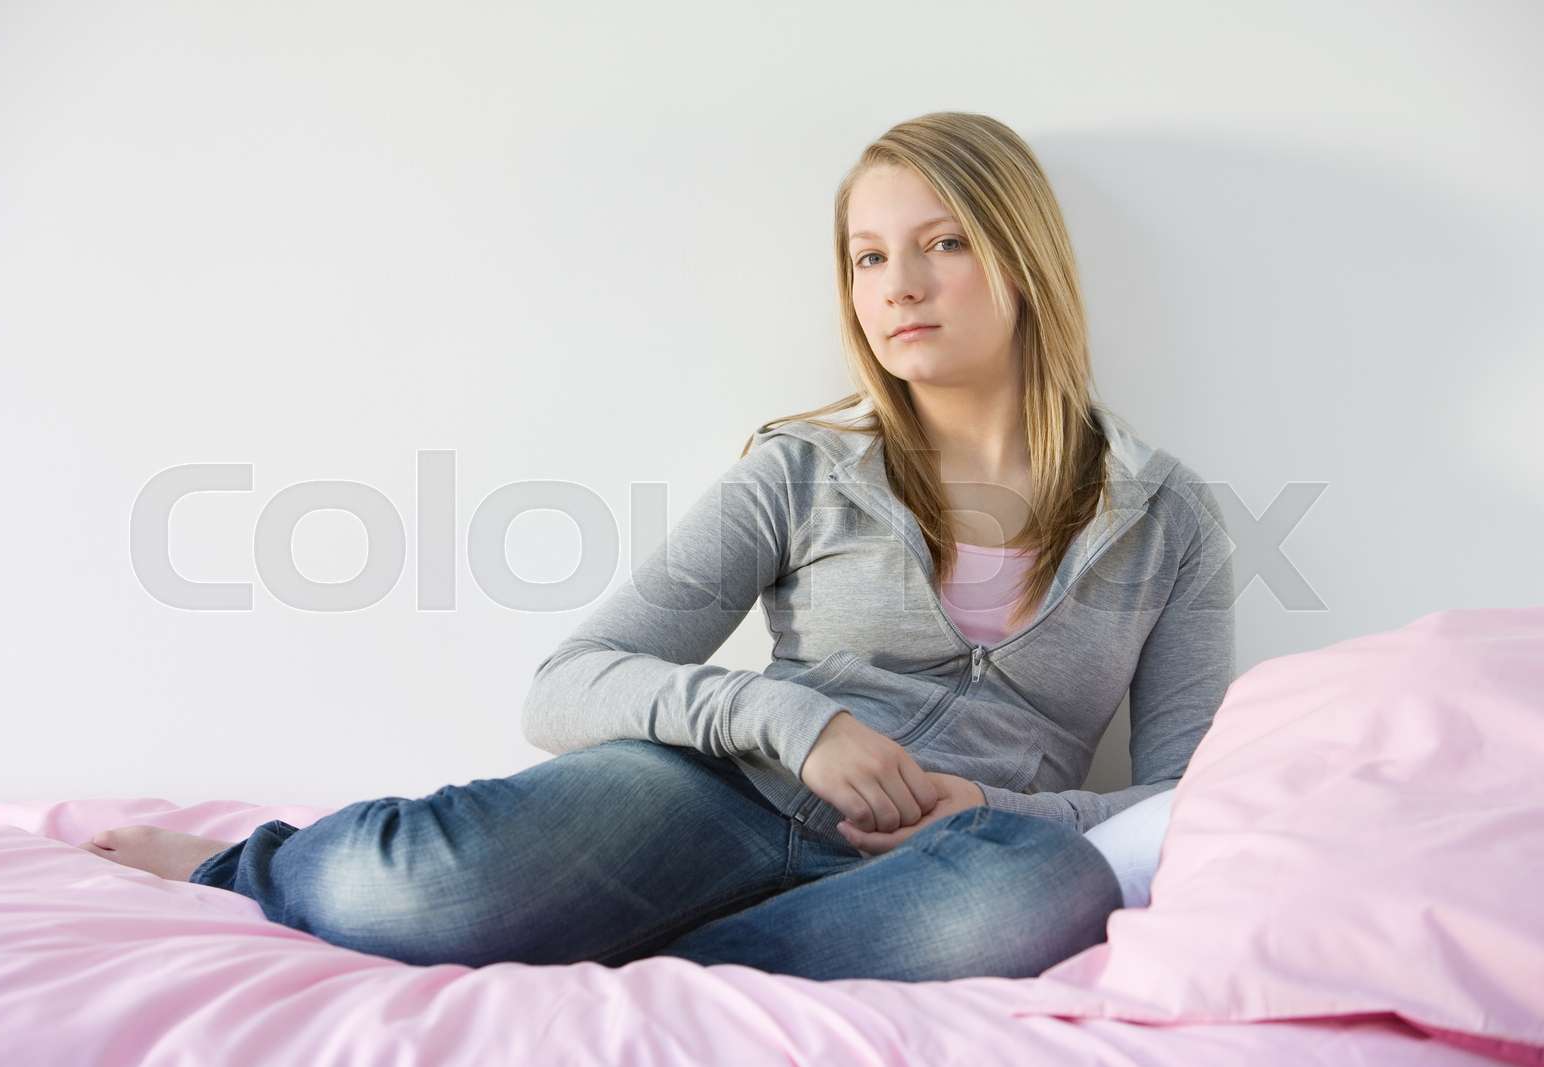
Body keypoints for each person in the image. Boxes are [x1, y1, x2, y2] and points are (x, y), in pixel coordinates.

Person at [79, 111, 1234, 981]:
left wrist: (996, 804)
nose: (899, 286)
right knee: (422, 891)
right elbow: (569, 682)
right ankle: (248, 864)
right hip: (715, 796)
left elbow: (1186, 799)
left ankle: (657, 973)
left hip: (949, 861)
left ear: (1023, 259)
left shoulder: (1168, 515)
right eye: (867, 256)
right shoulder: (802, 469)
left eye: (943, 243)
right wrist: (796, 721)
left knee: (1046, 890)